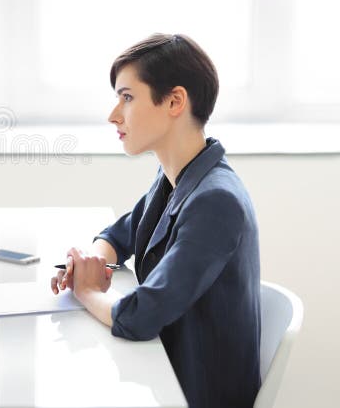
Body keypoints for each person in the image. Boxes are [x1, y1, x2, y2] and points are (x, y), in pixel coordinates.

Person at [51, 34, 260, 408]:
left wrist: (86, 291)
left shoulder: (216, 200)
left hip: (193, 393)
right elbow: (119, 234)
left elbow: (140, 316)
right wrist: (91, 262)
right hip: (163, 375)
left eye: (127, 97)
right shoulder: (177, 177)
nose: (114, 114)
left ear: (175, 101)